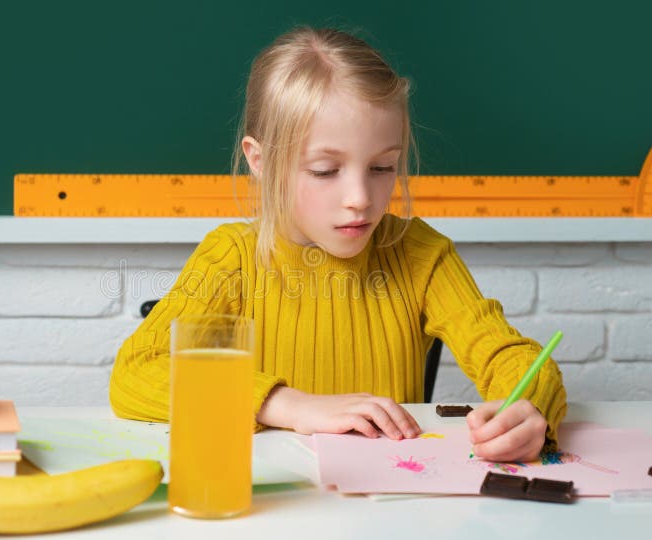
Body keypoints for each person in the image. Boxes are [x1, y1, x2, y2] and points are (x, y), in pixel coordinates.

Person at [109, 27, 567, 462]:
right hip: (269, 501)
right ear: (261, 161)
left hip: (386, 502)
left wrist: (526, 408)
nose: (360, 199)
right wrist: (288, 405)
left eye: (383, 167)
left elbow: (512, 356)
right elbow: (134, 373)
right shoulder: (231, 258)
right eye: (325, 171)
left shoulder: (421, 253)